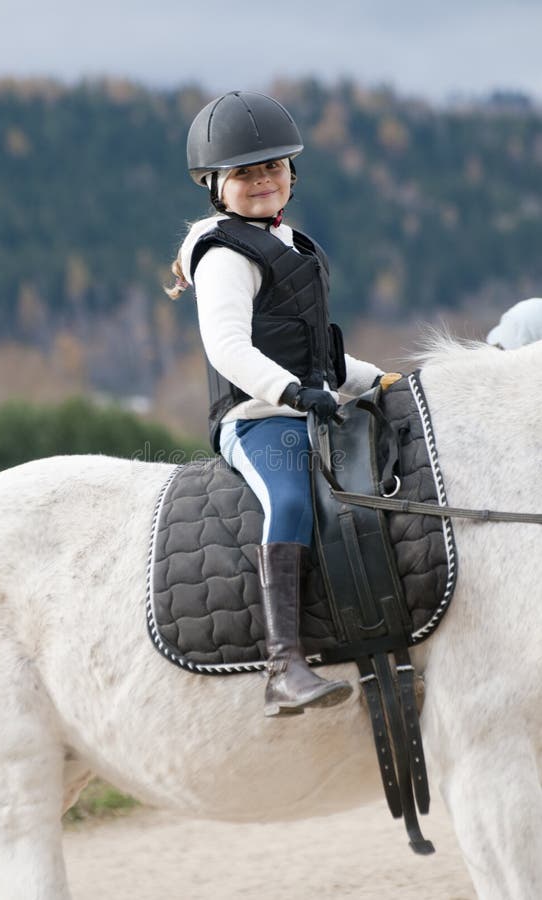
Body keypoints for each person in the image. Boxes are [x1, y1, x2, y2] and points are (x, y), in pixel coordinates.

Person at [166, 90, 400, 717]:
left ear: (292, 173)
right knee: (292, 497)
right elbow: (226, 347)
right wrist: (292, 394)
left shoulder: (293, 246)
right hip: (255, 418)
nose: (263, 181)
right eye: (245, 172)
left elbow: (322, 358)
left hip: (306, 403)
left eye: (272, 167)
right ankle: (283, 664)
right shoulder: (223, 255)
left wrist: (380, 383)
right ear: (216, 186)